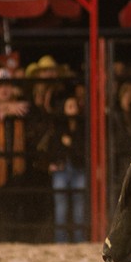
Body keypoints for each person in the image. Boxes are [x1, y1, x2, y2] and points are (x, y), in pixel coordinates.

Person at [42, 93, 87, 243]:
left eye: (74, 106)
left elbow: (84, 149)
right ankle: (61, 240)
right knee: (61, 205)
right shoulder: (58, 127)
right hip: (62, 169)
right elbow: (53, 148)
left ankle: (79, 238)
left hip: (77, 169)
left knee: (78, 205)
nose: (72, 108)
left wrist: (70, 143)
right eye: (69, 106)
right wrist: (53, 162)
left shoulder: (82, 127)